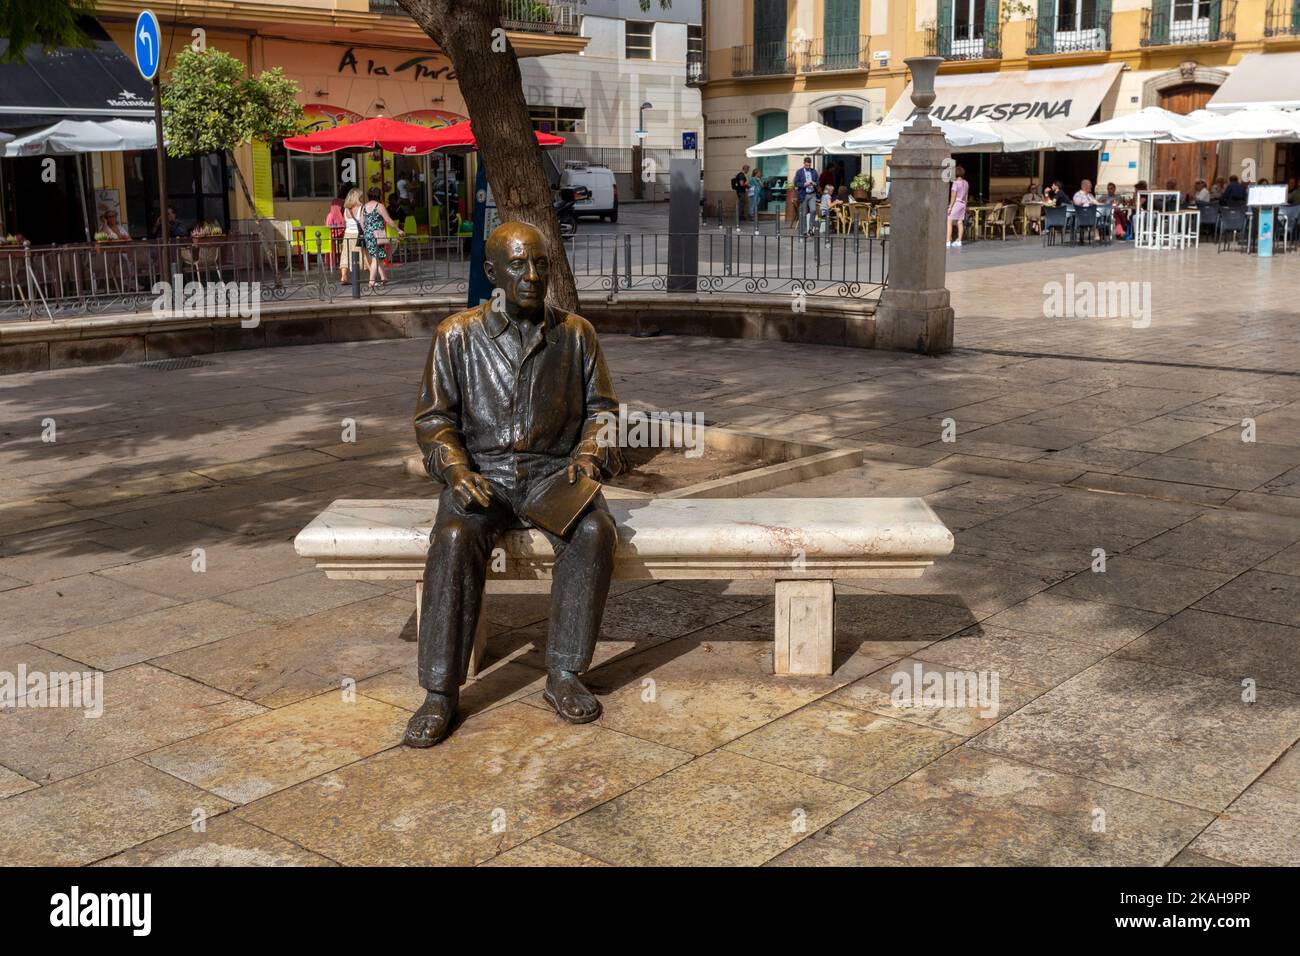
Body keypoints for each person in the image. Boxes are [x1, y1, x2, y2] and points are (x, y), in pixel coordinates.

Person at [404, 221, 621, 747]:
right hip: (485, 476)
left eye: (542, 264)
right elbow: (434, 421)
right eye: (519, 264)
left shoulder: (575, 334)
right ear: (492, 272)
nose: (532, 275)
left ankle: (565, 672)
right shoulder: (456, 335)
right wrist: (456, 470)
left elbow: (604, 413)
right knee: (454, 538)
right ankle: (439, 691)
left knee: (594, 534)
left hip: (553, 474)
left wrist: (590, 456)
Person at [359, 186, 404, 289]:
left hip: (368, 235)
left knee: (376, 256)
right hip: (377, 235)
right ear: (379, 195)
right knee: (375, 258)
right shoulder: (379, 206)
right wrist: (398, 230)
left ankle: (384, 277)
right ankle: (371, 282)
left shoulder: (364, 207)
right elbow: (388, 220)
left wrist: (367, 231)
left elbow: (362, 222)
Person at [341, 188, 365, 284]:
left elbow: (345, 222)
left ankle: (344, 277)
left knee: (345, 254)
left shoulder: (346, 209)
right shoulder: (362, 208)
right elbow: (363, 223)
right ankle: (372, 277)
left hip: (347, 234)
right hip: (358, 234)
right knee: (363, 254)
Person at [792, 156, 819, 236]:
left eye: (809, 165)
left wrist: (815, 183)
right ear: (804, 163)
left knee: (813, 210)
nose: (808, 167)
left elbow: (818, 181)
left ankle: (810, 229)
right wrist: (804, 184)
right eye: (806, 165)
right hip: (803, 194)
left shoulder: (814, 171)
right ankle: (804, 231)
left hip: (812, 194)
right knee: (803, 213)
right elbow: (796, 183)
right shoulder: (799, 172)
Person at [946, 165, 968, 248]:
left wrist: (950, 207)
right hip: (963, 204)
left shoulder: (955, 183)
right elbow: (966, 196)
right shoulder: (966, 183)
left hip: (956, 203)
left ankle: (948, 240)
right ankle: (959, 240)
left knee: (949, 220)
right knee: (959, 222)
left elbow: (953, 196)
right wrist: (965, 206)